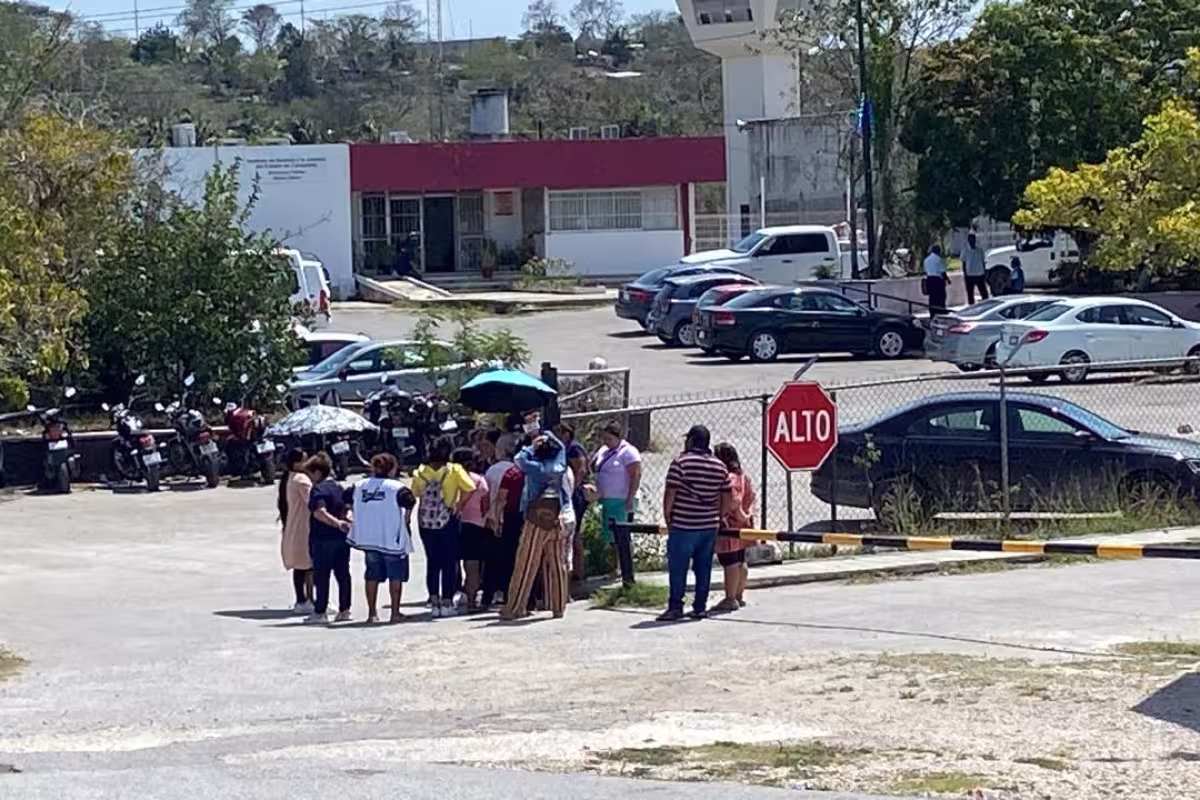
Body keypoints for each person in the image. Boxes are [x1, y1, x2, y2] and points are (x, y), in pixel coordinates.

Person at [657, 425, 732, 623]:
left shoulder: (680, 463)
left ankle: (675, 607)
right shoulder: (719, 466)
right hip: (709, 526)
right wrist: (719, 515)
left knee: (678, 568)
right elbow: (728, 497)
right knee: (703, 567)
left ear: (691, 440)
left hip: (683, 525)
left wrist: (668, 517)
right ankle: (699, 607)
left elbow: (670, 494)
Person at [501, 432, 571, 620]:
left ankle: (516, 607)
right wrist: (549, 435)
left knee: (526, 563)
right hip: (558, 516)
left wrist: (532, 445)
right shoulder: (559, 466)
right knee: (557, 564)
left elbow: (518, 458)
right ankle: (558, 607)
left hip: (536, 519)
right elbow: (562, 448)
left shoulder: (536, 468)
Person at [347, 453, 416, 624]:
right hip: (391, 538)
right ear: (392, 468)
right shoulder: (397, 487)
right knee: (396, 576)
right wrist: (406, 519)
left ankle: (372, 614)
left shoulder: (359, 485)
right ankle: (394, 613)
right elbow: (410, 502)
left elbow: (345, 500)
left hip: (369, 539)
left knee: (371, 575)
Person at [411, 436, 475, 617]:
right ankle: (447, 601)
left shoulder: (421, 471)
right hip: (447, 519)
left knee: (432, 561)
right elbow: (470, 488)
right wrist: (458, 505)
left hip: (425, 521)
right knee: (449, 561)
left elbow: (415, 493)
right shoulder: (454, 469)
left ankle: (434, 600)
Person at [305, 452, 353, 624]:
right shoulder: (338, 487)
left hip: (323, 539)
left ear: (317, 473)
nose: (309, 479)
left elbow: (319, 512)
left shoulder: (318, 489)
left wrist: (337, 523)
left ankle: (320, 611)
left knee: (321, 576)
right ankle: (345, 609)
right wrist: (345, 522)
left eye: (310, 474)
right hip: (341, 539)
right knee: (343, 574)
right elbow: (347, 507)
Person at [712, 442, 756, 613]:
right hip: (743, 528)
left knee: (730, 561)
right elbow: (751, 499)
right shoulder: (744, 478)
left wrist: (736, 515)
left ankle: (730, 598)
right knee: (740, 560)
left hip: (729, 527)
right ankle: (738, 594)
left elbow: (733, 502)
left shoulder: (728, 479)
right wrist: (747, 517)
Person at [591, 422, 642, 565]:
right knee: (610, 537)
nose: (606, 442)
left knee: (621, 536)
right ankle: (615, 567)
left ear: (618, 437)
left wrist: (630, 498)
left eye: (609, 439)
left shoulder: (628, 452)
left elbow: (635, 475)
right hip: (607, 500)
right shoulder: (604, 451)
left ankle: (625, 568)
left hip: (622, 500)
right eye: (604, 439)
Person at [484, 438, 527, 609]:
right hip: (516, 516)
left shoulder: (492, 471)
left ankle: (490, 594)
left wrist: (493, 516)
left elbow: (492, 496)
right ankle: (509, 591)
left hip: (494, 517)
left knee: (492, 558)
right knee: (512, 556)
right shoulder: (520, 471)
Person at [452, 447, 490, 612]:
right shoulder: (479, 480)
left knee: (451, 563)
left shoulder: (451, 479)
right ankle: (471, 602)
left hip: (454, 523)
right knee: (473, 565)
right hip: (475, 526)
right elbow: (485, 504)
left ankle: (448, 597)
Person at [278, 447, 313, 614]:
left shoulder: (290, 478)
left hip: (294, 526)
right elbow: (311, 502)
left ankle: (303, 599)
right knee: (306, 566)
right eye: (304, 460)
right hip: (303, 527)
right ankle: (306, 599)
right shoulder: (302, 480)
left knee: (301, 566)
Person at [555, 421, 590, 581]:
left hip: (575, 494)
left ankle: (578, 570)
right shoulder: (566, 448)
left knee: (574, 533)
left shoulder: (574, 448)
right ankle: (576, 570)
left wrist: (571, 489)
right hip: (571, 492)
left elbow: (581, 469)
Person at [961, 233, 989, 305]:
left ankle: (986, 306)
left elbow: (983, 262)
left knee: (984, 293)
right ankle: (971, 307)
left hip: (980, 274)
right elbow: (963, 263)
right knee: (970, 294)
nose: (972, 241)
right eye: (970, 240)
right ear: (968, 241)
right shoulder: (965, 250)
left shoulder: (980, 250)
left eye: (973, 239)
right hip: (970, 275)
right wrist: (965, 274)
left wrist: (985, 273)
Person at [923, 244, 949, 316]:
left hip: (930, 280)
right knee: (941, 298)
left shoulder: (926, 260)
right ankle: (941, 313)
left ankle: (932, 313)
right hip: (938, 281)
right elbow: (943, 272)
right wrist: (947, 280)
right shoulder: (939, 259)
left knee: (932, 298)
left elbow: (925, 271)